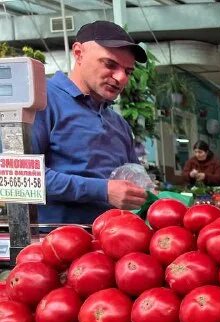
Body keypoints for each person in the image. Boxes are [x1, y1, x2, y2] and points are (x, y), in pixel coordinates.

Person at [31, 20, 149, 225]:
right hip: (53, 242)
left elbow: (132, 181)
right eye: (110, 64)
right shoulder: (41, 101)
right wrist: (102, 190)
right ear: (78, 53)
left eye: (128, 72)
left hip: (112, 243)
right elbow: (23, 177)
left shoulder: (118, 124)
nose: (121, 78)